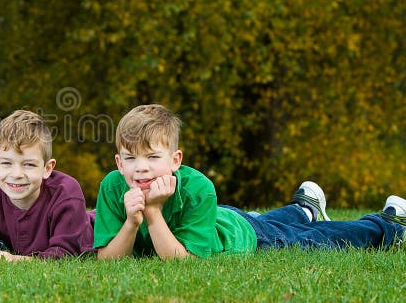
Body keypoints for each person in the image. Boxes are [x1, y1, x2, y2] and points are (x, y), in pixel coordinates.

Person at [94, 104, 406, 260]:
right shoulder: (112, 186)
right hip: (222, 218)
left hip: (241, 235)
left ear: (176, 160)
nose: (141, 169)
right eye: (131, 158)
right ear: (119, 162)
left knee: (312, 238)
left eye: (152, 157)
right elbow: (108, 261)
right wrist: (131, 224)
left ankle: (387, 226)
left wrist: (151, 212)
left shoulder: (199, 187)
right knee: (282, 223)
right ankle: (303, 207)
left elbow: (180, 264)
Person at [0, 110, 94, 261]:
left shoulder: (66, 193)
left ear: (47, 168)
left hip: (95, 230)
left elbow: (65, 255)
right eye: (6, 163)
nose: (17, 174)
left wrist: (15, 260)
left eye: (29, 164)